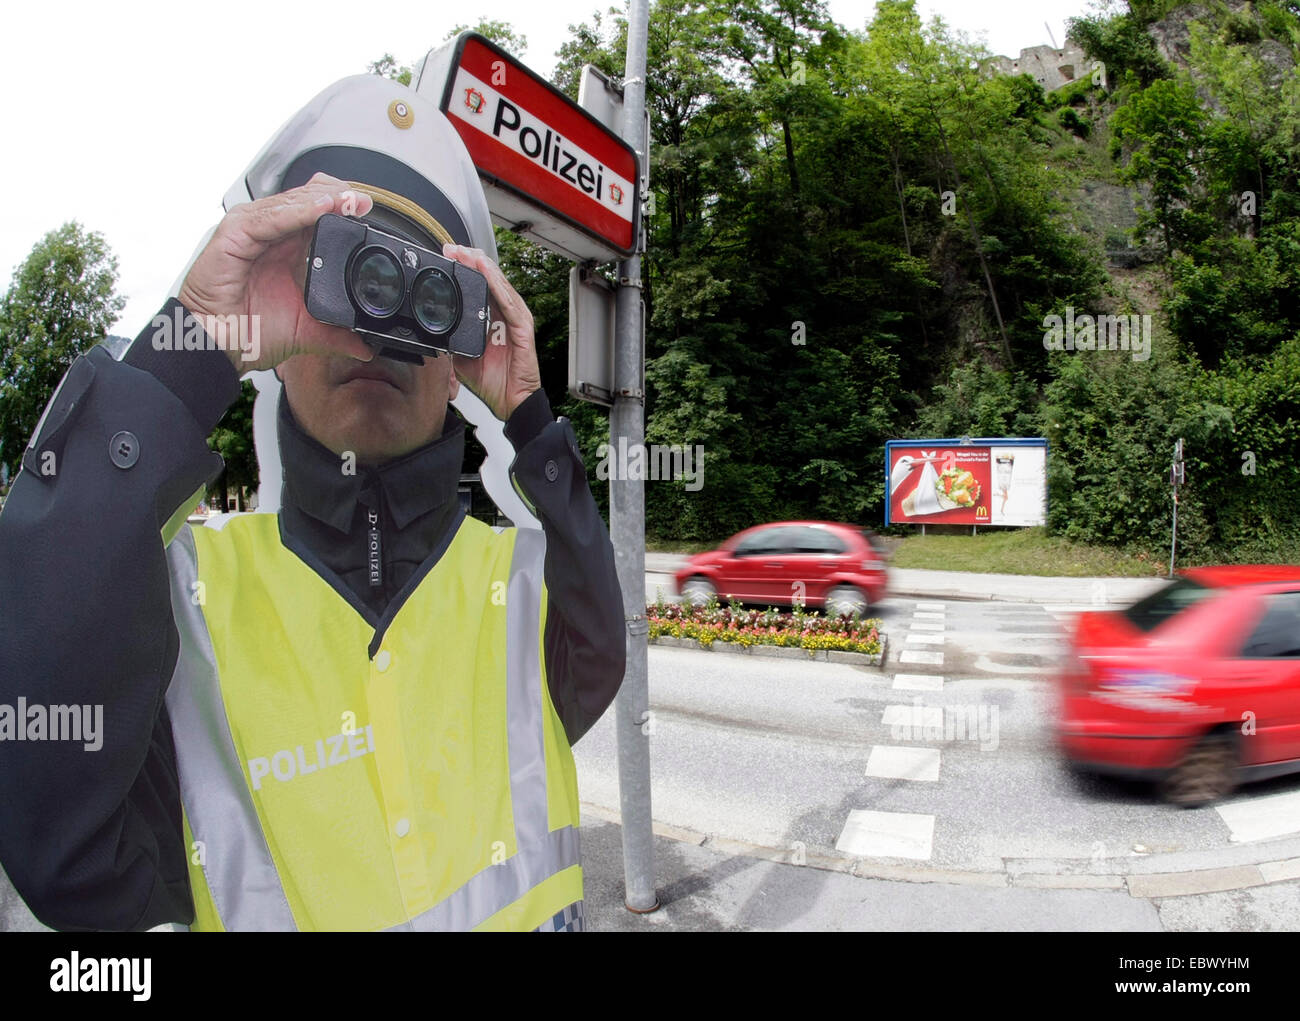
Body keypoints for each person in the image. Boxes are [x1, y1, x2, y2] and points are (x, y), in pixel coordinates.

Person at [0, 72, 626, 931]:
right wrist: (194, 344)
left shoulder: (520, 587)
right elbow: (47, 815)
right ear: (278, 348)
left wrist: (529, 416)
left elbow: (601, 647)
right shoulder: (179, 601)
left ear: (457, 363)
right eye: (338, 277)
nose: (378, 332)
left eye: (425, 304)